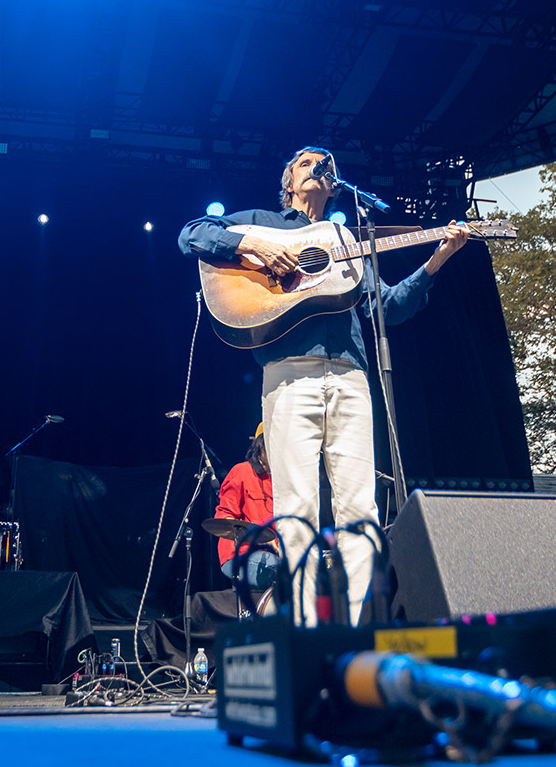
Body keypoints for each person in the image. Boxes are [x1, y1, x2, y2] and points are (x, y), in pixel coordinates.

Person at [179, 146, 469, 624]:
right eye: (305, 162)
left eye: (325, 165)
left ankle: (357, 627)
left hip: (352, 377)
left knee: (361, 505)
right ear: (289, 179)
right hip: (289, 374)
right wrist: (256, 247)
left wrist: (439, 259)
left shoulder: (342, 238)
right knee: (298, 506)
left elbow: (387, 308)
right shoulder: (262, 222)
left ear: (335, 184)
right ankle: (309, 629)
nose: (318, 167)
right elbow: (192, 234)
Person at [214, 424, 278, 594]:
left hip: (273, 555)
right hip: (240, 555)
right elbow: (224, 518)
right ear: (260, 445)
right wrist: (257, 537)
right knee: (277, 569)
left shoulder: (281, 481)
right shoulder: (241, 472)